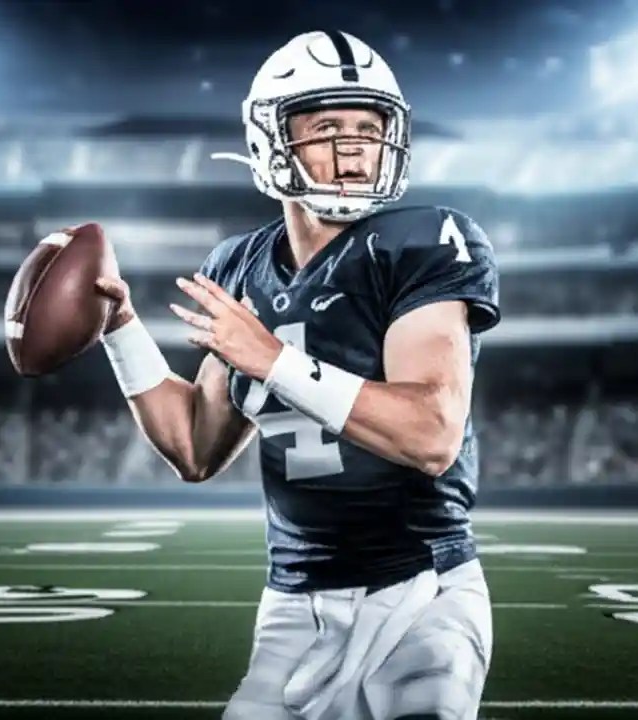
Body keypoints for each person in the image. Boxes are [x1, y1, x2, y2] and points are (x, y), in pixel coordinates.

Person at [93, 29, 500, 720]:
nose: (351, 150)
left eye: (368, 128)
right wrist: (119, 327)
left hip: (419, 588)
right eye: (325, 127)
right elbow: (195, 445)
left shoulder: (421, 242)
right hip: (293, 603)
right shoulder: (240, 264)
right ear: (270, 141)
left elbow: (431, 433)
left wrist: (274, 361)